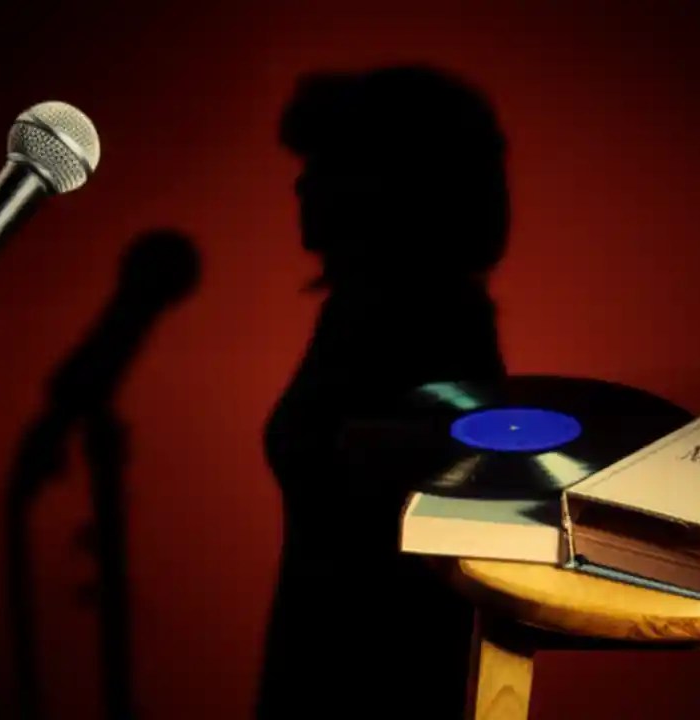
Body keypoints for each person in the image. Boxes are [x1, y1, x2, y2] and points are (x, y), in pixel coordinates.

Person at [257, 65, 512, 718]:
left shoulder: (424, 321)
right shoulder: (362, 312)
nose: (302, 183)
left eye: (330, 162)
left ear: (397, 183)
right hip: (328, 667)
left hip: (373, 681)